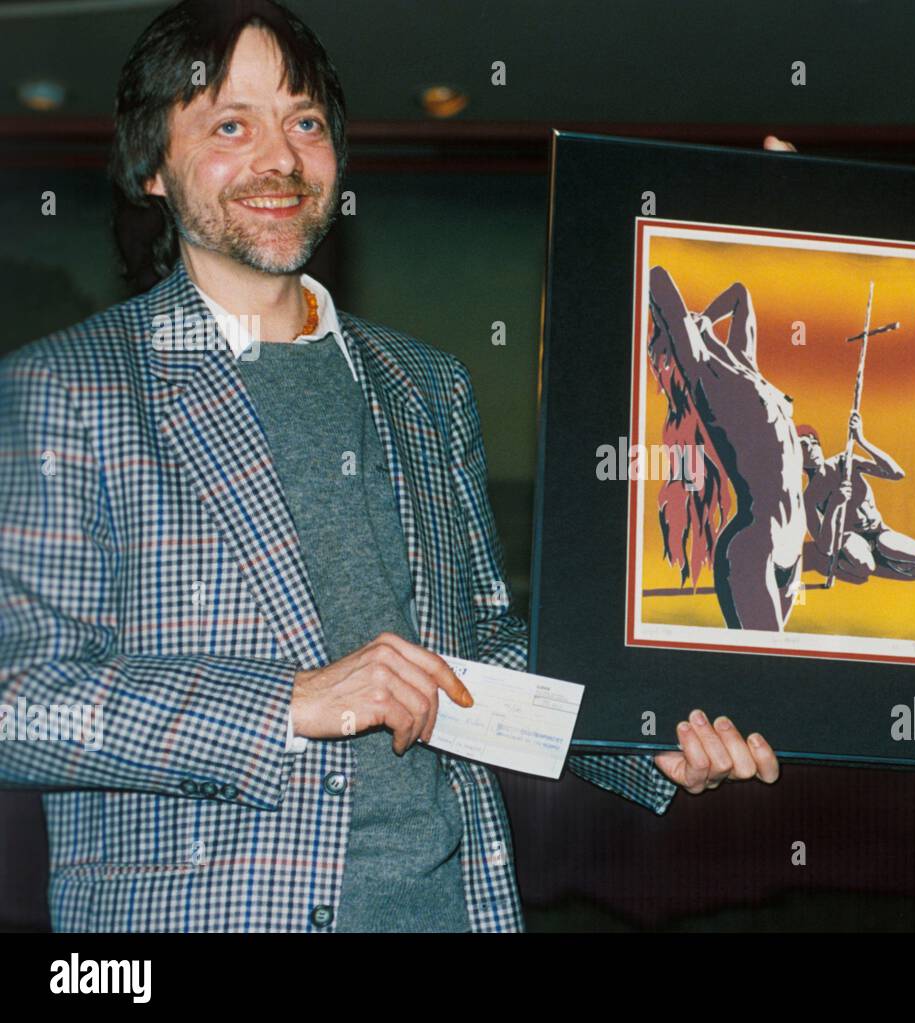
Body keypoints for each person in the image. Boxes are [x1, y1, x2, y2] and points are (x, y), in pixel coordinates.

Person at [0, 0, 779, 934]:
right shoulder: (64, 388)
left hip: (450, 906)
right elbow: (21, 706)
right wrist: (291, 702)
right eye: (230, 124)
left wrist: (637, 740)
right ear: (151, 167)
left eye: (307, 121)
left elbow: (480, 656)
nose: (280, 159)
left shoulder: (426, 385)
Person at [647, 266, 805, 631]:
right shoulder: (702, 374)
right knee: (763, 672)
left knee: (782, 676)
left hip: (790, 549)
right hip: (756, 544)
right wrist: (689, 322)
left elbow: (740, 292)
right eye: (686, 325)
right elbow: (656, 277)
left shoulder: (744, 362)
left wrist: (705, 316)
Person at [798, 412, 915, 585]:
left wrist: (861, 440)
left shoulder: (845, 462)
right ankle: (856, 563)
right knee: (864, 568)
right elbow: (826, 546)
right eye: (804, 445)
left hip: (880, 533)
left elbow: (896, 473)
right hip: (851, 539)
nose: (811, 448)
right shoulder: (809, 497)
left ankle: (880, 560)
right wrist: (834, 504)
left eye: (814, 442)